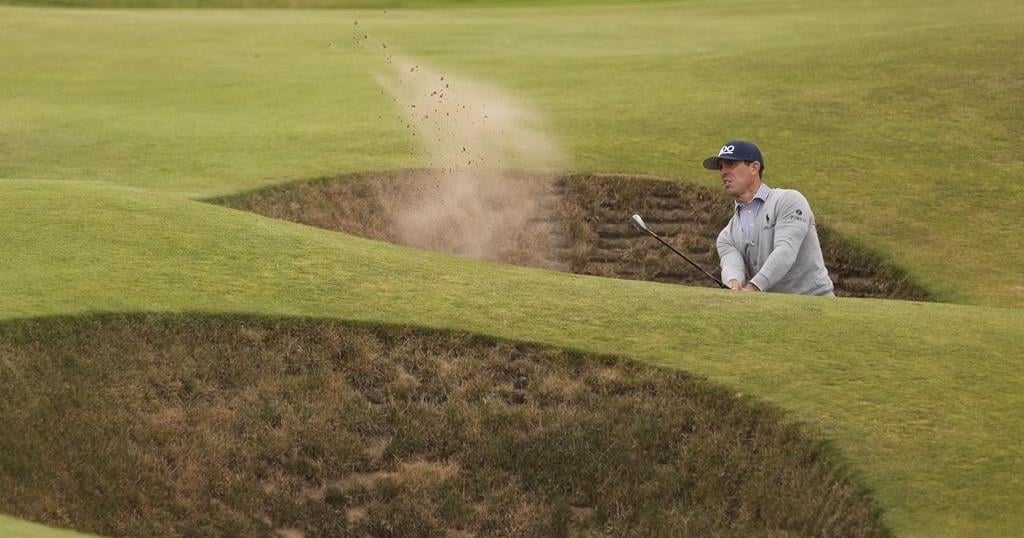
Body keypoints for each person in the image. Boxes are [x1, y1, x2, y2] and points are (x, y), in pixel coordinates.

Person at [702, 140, 834, 296]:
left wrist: (753, 287)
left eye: (731, 164)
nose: (724, 172)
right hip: (769, 307)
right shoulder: (726, 237)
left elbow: (786, 250)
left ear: (754, 168)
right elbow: (733, 267)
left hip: (816, 301)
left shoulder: (788, 201)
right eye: (721, 167)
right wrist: (733, 284)